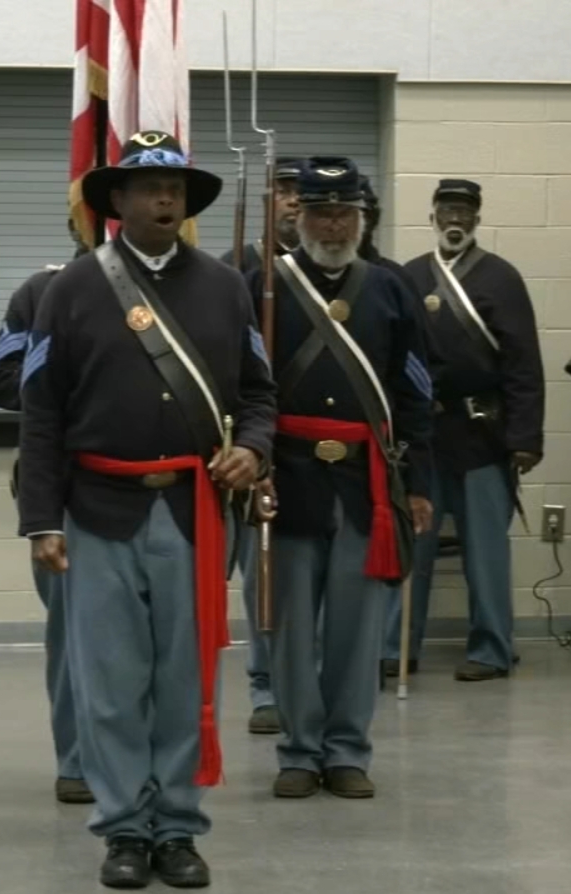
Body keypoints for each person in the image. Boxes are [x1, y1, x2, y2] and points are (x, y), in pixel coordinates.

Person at [19, 130, 276, 889]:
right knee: (109, 682)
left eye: (177, 192)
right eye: (150, 189)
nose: (166, 200)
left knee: (184, 680)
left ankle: (179, 829)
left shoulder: (226, 288)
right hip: (98, 512)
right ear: (118, 201)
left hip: (194, 514)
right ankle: (124, 829)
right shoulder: (70, 290)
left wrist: (253, 451)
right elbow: (40, 414)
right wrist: (42, 519)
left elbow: (259, 395)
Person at [252, 157, 433, 801]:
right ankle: (299, 751)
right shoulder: (264, 285)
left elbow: (415, 394)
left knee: (358, 631)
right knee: (291, 626)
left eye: (345, 212)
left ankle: (348, 749)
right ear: (297, 215)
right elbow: (245, 388)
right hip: (289, 480)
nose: (333, 224)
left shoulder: (387, 289)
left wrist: (418, 482)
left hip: (365, 487)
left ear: (362, 217)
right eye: (321, 211)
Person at [390, 179, 545, 682]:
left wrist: (525, 439)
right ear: (431, 216)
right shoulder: (409, 276)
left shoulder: (502, 278)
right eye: (447, 211)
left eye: (465, 212)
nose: (455, 220)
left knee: (486, 554)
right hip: (425, 439)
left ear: (477, 219)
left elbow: (524, 364)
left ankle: (492, 648)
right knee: (415, 548)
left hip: (483, 436)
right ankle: (399, 646)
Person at [0, 220, 93, 805]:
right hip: (66, 484)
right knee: (72, 631)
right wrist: (84, 386)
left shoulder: (184, 286)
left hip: (155, 487)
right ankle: (78, 761)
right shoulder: (40, 292)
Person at [221, 155, 303, 736]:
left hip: (321, 451)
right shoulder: (234, 272)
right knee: (263, 577)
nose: (295, 202)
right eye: (285, 191)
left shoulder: (352, 273)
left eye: (304, 193)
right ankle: (266, 686)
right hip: (256, 448)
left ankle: (312, 684)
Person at [221, 155, 304, 274]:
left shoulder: (327, 265)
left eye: (300, 193)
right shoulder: (234, 262)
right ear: (266, 203)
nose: (293, 201)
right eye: (283, 192)